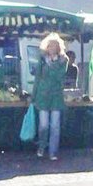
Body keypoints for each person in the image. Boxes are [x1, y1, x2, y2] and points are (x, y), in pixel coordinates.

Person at [32, 33, 71, 161]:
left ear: (59, 47)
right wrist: (33, 95)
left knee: (55, 125)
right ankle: (42, 146)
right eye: (49, 46)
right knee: (43, 125)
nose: (52, 48)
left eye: (54, 45)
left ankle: (53, 152)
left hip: (56, 96)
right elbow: (37, 77)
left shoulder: (63, 60)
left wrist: (52, 64)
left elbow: (58, 76)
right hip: (42, 95)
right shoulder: (42, 59)